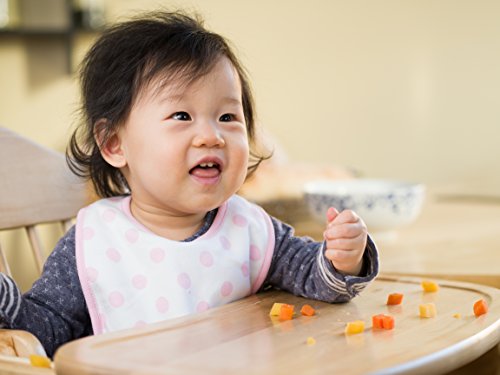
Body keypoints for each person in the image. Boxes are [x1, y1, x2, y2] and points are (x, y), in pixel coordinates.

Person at [0, 11, 378, 357]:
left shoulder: (249, 228)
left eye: (228, 116)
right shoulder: (94, 240)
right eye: (182, 115)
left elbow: (318, 280)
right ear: (114, 143)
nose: (211, 136)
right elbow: (46, 331)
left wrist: (344, 257)